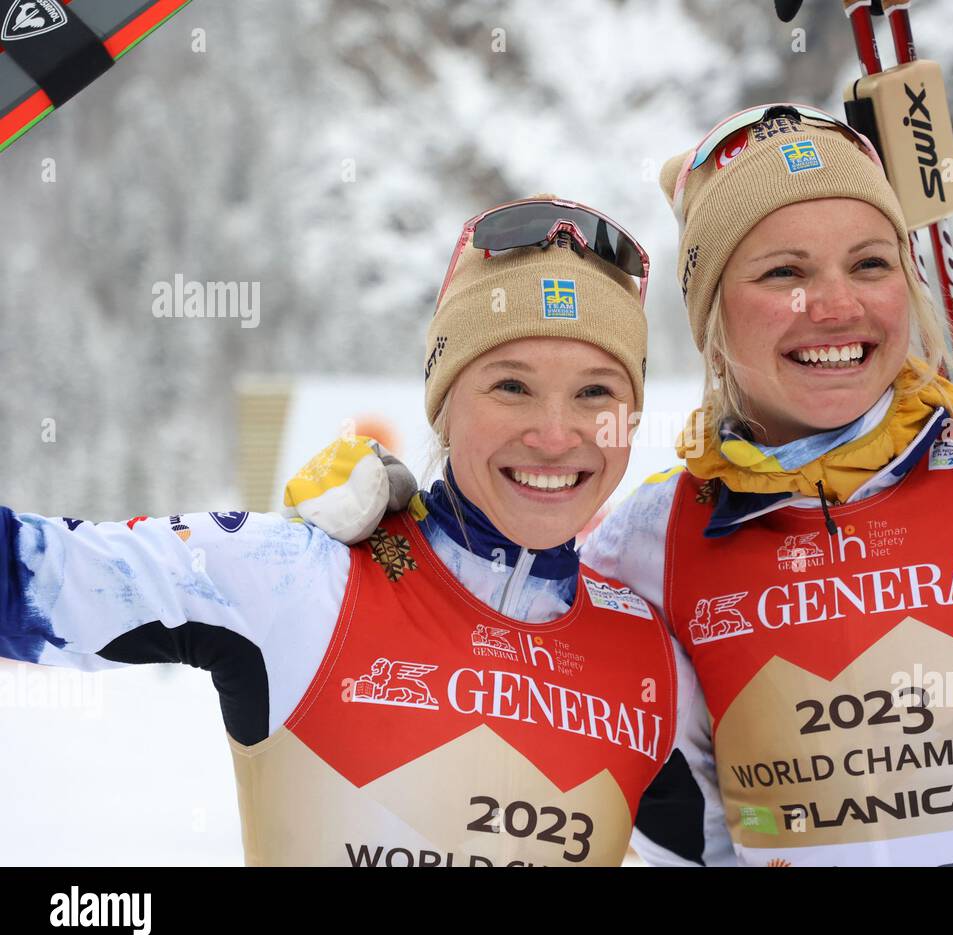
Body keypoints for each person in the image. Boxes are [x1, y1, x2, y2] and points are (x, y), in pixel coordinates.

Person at [301, 105, 953, 867]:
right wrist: (392, 540)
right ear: (712, 319)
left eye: (870, 263)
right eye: (781, 271)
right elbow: (454, 671)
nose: (835, 304)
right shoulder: (645, 547)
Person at [0, 196, 703, 867]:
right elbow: (33, 574)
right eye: (510, 386)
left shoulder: (653, 662)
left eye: (595, 392)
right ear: (444, 405)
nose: (555, 435)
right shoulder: (303, 579)